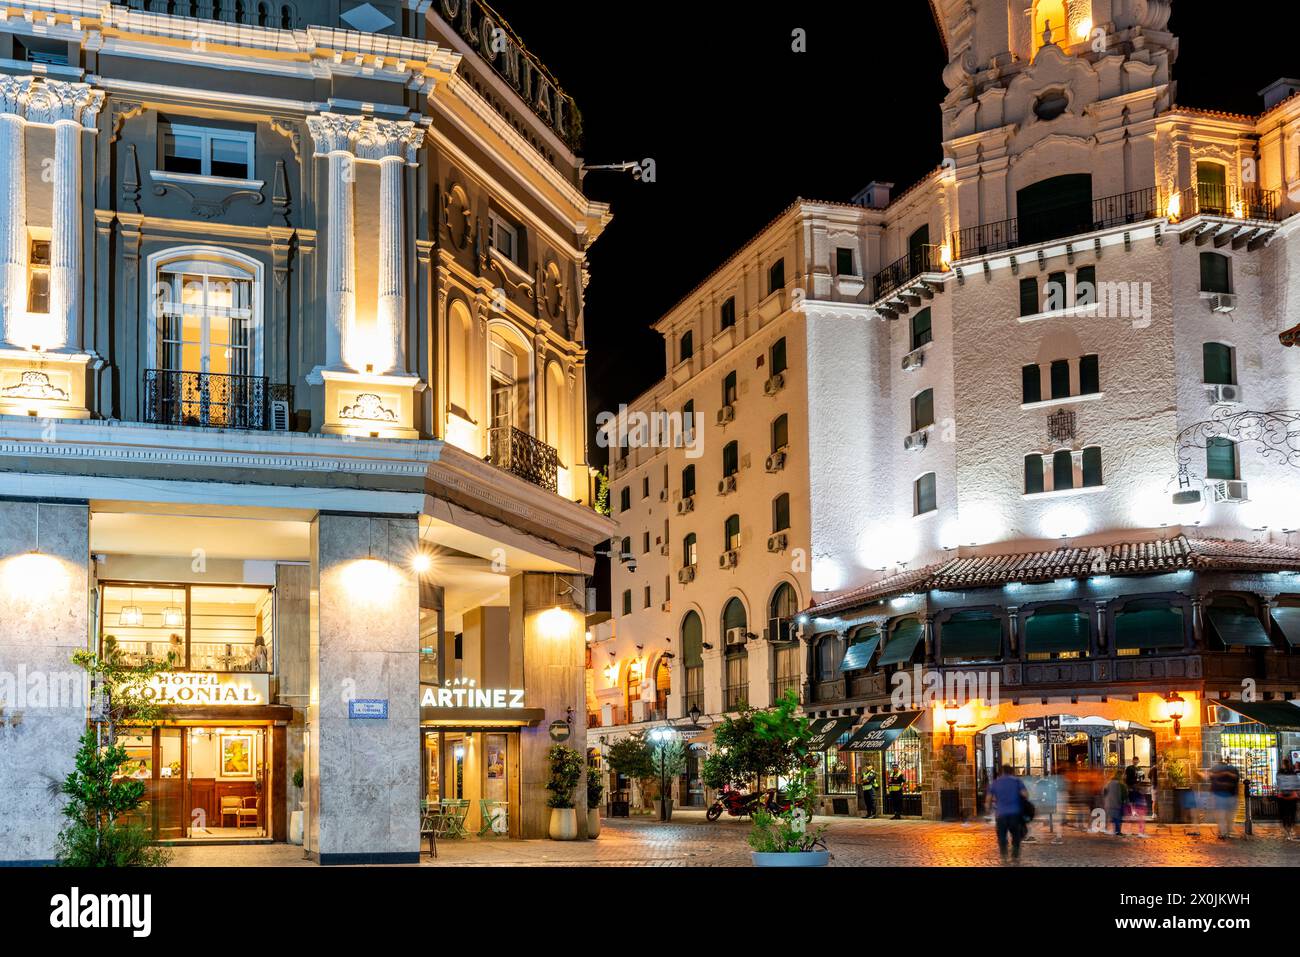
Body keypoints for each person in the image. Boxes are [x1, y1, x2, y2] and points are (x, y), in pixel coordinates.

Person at [988, 764, 1029, 862]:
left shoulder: (995, 782)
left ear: (1002, 771)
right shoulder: (1017, 781)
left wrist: (988, 808)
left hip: (1001, 814)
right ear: (1011, 771)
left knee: (1002, 834)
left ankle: (1004, 854)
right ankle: (1015, 854)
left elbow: (988, 798)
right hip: (1015, 813)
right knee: (1016, 834)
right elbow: (1025, 794)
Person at [1208, 757, 1241, 839]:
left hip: (1219, 795)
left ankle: (1223, 833)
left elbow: (1211, 779)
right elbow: (1237, 780)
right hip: (1232, 795)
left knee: (1221, 816)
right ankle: (1228, 831)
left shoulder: (1215, 769)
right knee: (1230, 816)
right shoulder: (1233, 769)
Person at [1275, 758, 1299, 842]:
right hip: (1292, 797)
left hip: (1283, 797)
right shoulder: (1293, 772)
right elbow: (1296, 784)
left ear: (1283, 763)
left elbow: (1278, 784)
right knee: (1291, 816)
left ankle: (1288, 833)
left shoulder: (1279, 772)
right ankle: (1289, 832)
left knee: (1284, 816)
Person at [1124, 757, 1148, 838]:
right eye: (1135, 760)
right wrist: (1128, 785)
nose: (1136, 761)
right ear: (1133, 761)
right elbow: (1126, 777)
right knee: (1131, 799)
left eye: (1137, 760)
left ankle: (1135, 811)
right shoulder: (1129, 768)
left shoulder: (1139, 768)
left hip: (1137, 785)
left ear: (1138, 761)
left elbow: (1143, 777)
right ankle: (1133, 811)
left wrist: (1140, 779)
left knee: (1135, 798)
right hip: (1131, 785)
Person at [1102, 770, 1127, 836]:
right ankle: (1117, 831)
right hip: (1116, 804)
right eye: (1123, 775)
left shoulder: (1109, 783)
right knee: (1118, 818)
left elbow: (1104, 792)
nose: (1124, 776)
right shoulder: (1121, 784)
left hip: (1108, 803)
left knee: (1110, 817)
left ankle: (1106, 830)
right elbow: (1124, 795)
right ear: (1121, 776)